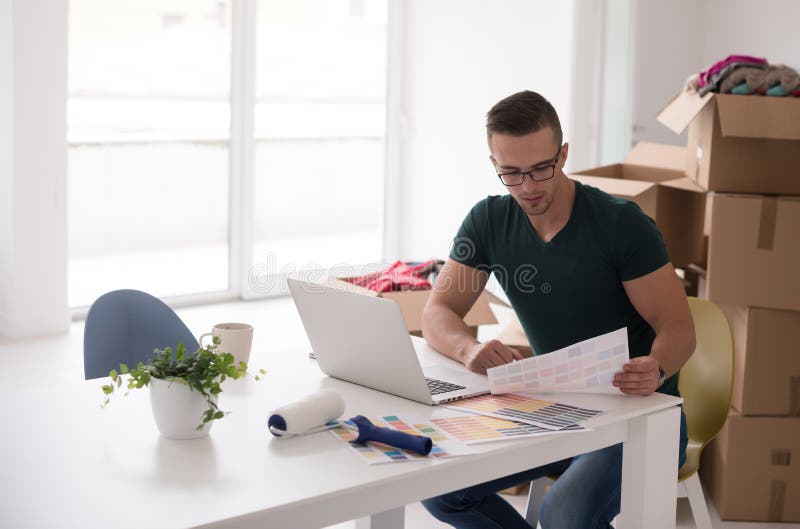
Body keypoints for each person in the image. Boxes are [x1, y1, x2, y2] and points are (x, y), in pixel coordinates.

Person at [420, 90, 694, 529]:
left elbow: (679, 328)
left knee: (564, 514)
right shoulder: (489, 221)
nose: (527, 187)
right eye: (511, 173)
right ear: (493, 164)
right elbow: (439, 311)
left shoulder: (622, 225)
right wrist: (466, 348)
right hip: (551, 409)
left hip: (642, 415)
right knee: (440, 489)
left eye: (540, 169)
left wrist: (657, 367)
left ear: (563, 154)